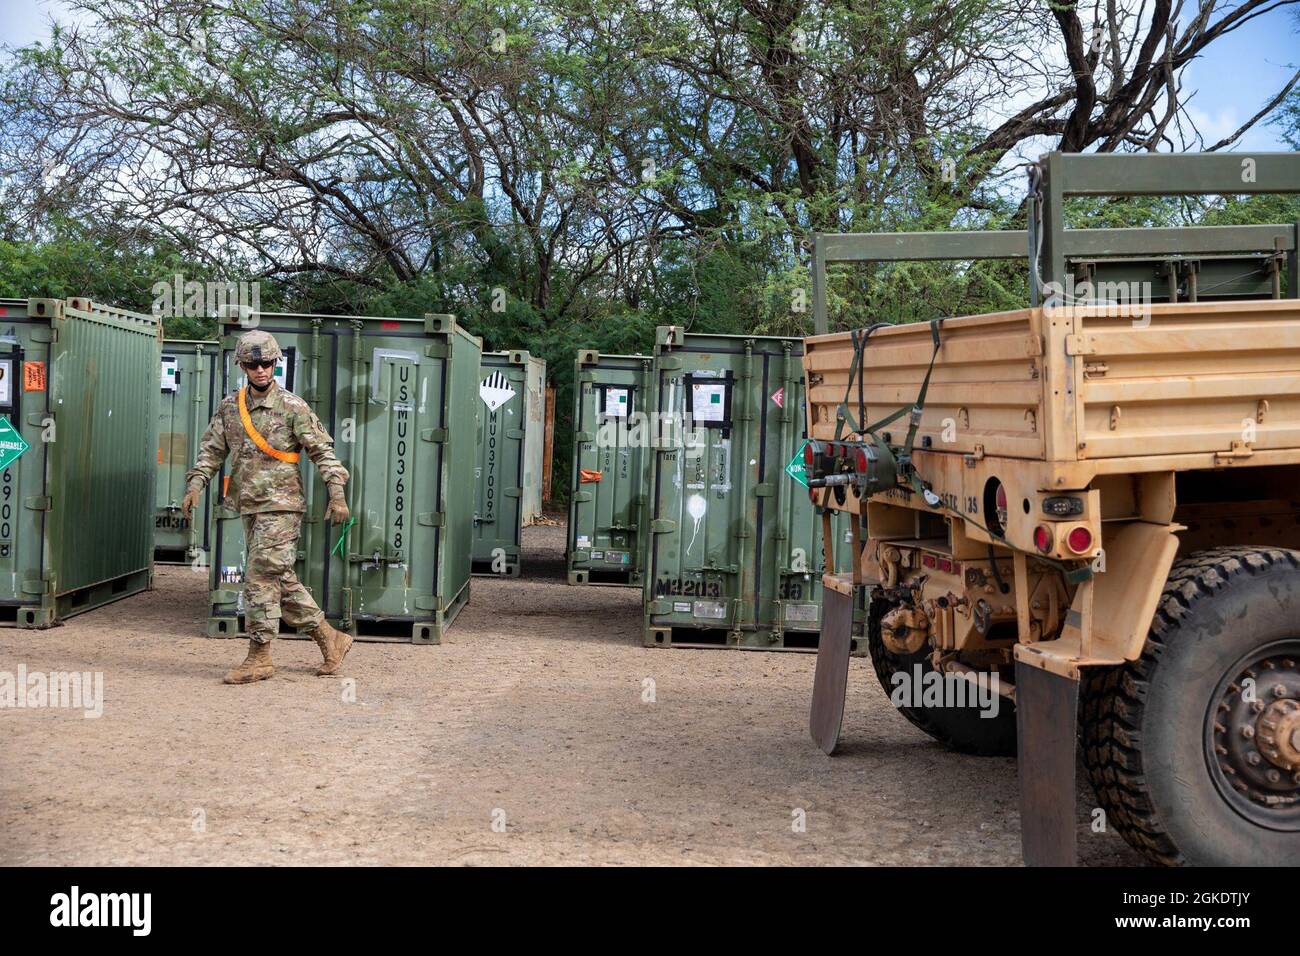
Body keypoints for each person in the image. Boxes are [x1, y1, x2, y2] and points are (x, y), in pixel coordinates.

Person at [181, 329, 353, 683]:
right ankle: (330, 638)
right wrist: (196, 483)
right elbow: (212, 450)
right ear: (242, 365)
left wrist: (337, 494)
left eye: (267, 363)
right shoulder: (230, 407)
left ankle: (259, 656)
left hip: (283, 505)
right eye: (253, 364)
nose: (261, 370)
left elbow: (323, 452)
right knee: (279, 577)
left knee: (260, 576)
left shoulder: (294, 407)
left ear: (276, 364)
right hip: (249, 505)